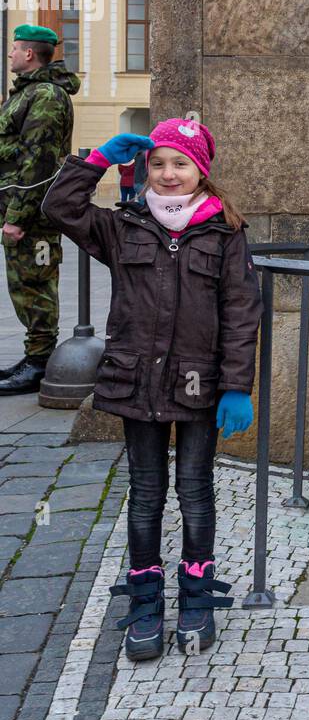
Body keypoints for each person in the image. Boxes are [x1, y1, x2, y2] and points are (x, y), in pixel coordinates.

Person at [41, 118, 262, 661]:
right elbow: (59, 209)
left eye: (180, 163)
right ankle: (144, 601)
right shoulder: (124, 226)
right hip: (136, 381)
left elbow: (241, 312)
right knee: (144, 493)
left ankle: (195, 598)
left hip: (198, 385)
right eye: (158, 163)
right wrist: (92, 162)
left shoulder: (225, 231)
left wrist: (237, 386)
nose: (168, 174)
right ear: (145, 168)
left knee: (194, 489)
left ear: (201, 171)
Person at [0, 24, 80, 394]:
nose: (11, 54)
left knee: (34, 283)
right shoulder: (28, 93)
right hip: (19, 209)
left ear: (29, 54)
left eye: (15, 49)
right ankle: (34, 356)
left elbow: (39, 162)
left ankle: (39, 362)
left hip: (33, 214)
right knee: (24, 282)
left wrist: (18, 217)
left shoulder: (45, 96)